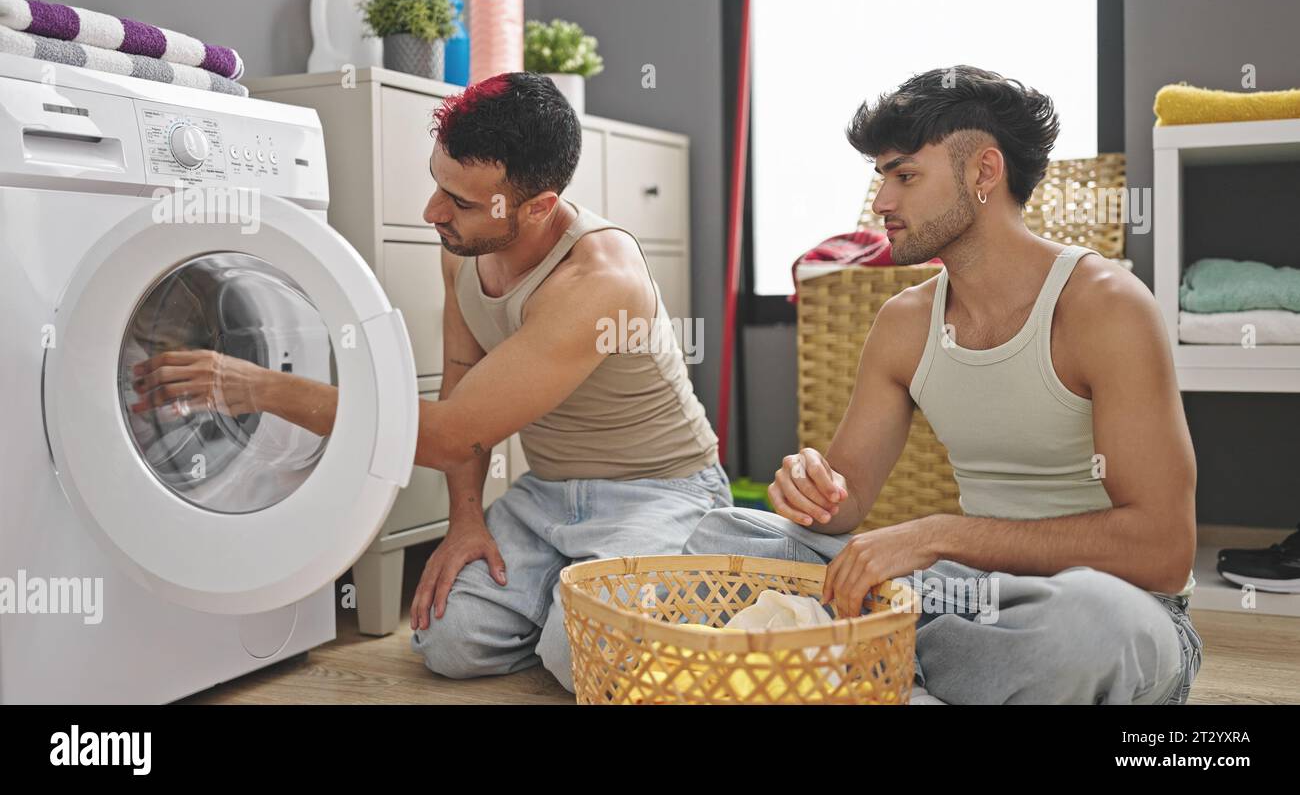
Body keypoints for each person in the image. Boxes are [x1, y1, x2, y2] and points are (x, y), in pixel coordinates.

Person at [128, 72, 729, 692]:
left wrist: (260, 389)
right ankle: (581, 597)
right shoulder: (464, 244)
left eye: (462, 203)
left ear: (540, 207)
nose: (432, 213)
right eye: (438, 184)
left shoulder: (601, 282)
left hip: (658, 493)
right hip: (547, 494)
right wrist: (465, 519)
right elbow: (462, 386)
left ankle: (691, 567)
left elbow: (446, 438)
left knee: (585, 659)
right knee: (450, 642)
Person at [685, 65, 1203, 704]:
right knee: (721, 539)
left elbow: (1164, 550)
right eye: (883, 179)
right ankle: (893, 672)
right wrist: (806, 483)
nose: (882, 203)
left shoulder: (1105, 307)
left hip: (1101, 606)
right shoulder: (905, 323)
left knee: (1088, 623)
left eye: (905, 176)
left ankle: (859, 669)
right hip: (958, 598)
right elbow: (841, 505)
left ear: (985, 172)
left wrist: (937, 535)